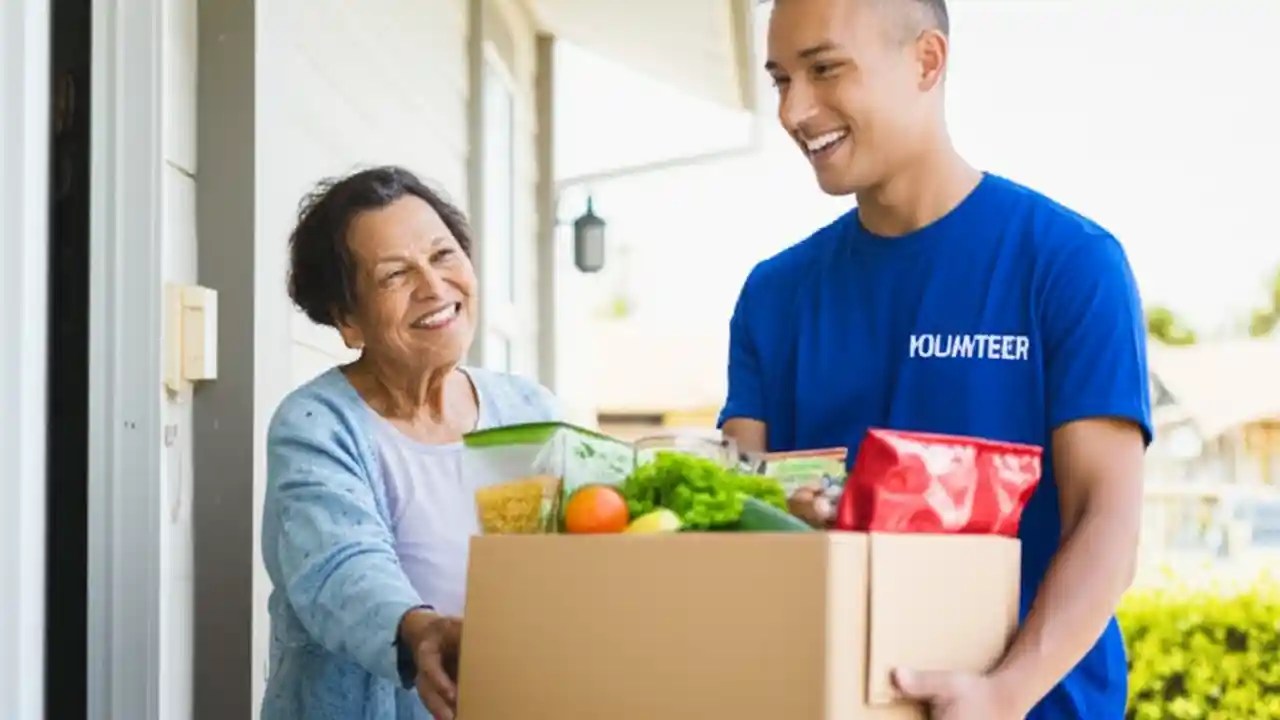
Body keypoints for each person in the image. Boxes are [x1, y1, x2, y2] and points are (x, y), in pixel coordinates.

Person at [719, 1, 1150, 718]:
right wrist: (775, 516)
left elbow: (1106, 520)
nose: (795, 110)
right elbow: (739, 509)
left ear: (927, 60)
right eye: (780, 80)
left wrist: (1003, 694)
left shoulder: (1069, 264)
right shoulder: (775, 293)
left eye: (825, 70)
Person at [259, 166, 558, 720]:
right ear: (347, 319)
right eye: (395, 275)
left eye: (443, 256)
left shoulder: (531, 410)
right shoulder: (316, 424)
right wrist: (419, 630)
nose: (434, 287)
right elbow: (338, 568)